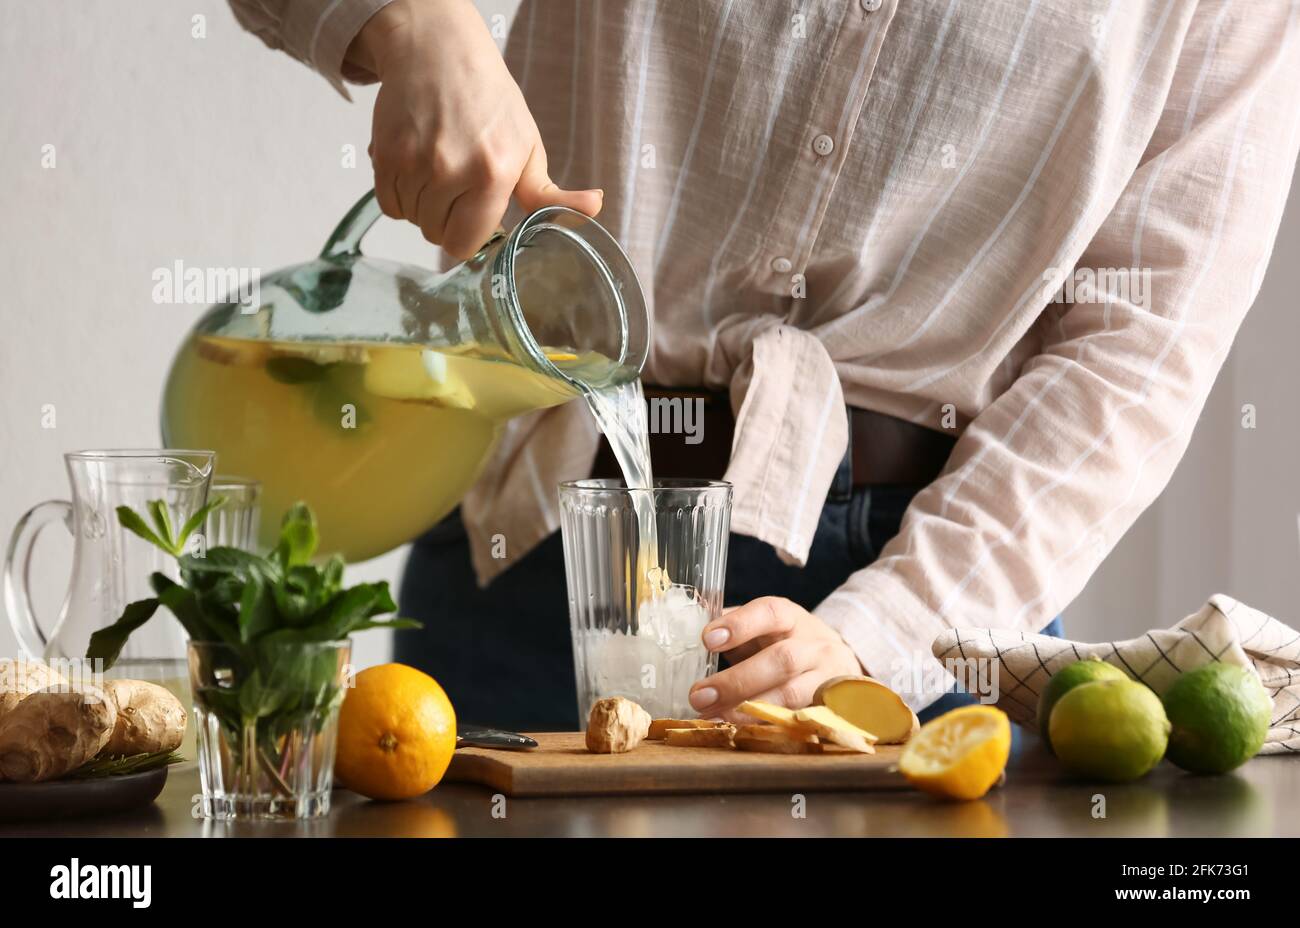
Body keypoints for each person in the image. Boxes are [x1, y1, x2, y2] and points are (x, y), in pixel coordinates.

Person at [231, 0, 1300, 731]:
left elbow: (1134, 349)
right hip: (537, 545)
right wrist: (414, 25)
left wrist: (888, 632)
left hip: (909, 606)